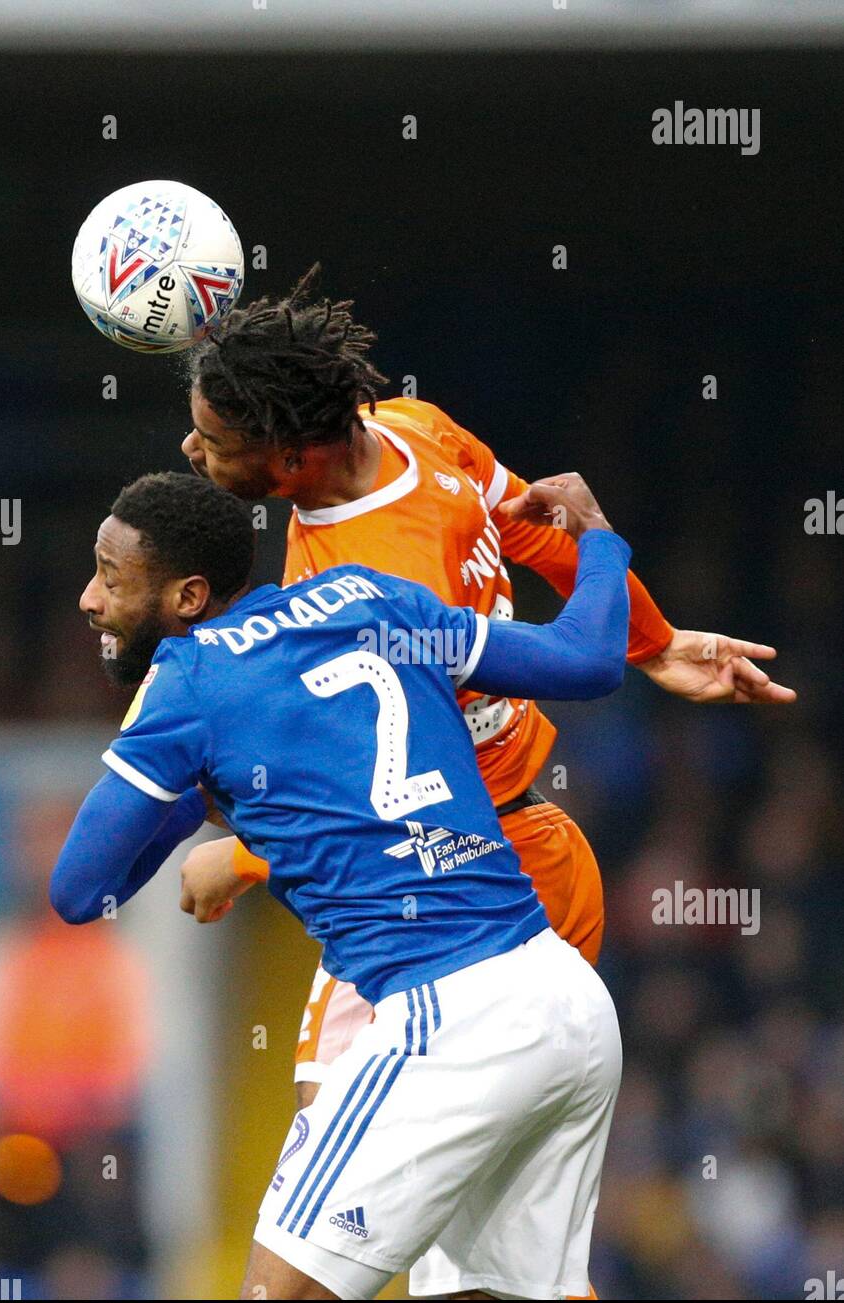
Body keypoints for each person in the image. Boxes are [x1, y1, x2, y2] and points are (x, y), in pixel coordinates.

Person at [177, 267, 795, 1144]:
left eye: (211, 439)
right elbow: (539, 525)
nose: (191, 453)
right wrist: (654, 642)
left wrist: (241, 858)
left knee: (332, 1190)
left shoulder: (382, 584)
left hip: (454, 881)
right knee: (455, 1235)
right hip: (524, 855)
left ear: (287, 458)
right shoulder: (411, 430)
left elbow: (402, 779)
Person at [53, 466, 635, 1300]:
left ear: (186, 597)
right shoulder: (369, 598)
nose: (88, 598)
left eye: (111, 577)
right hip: (567, 996)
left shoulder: (187, 680)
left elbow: (79, 890)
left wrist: (194, 794)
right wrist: (602, 542)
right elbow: (586, 659)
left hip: (449, 1015)